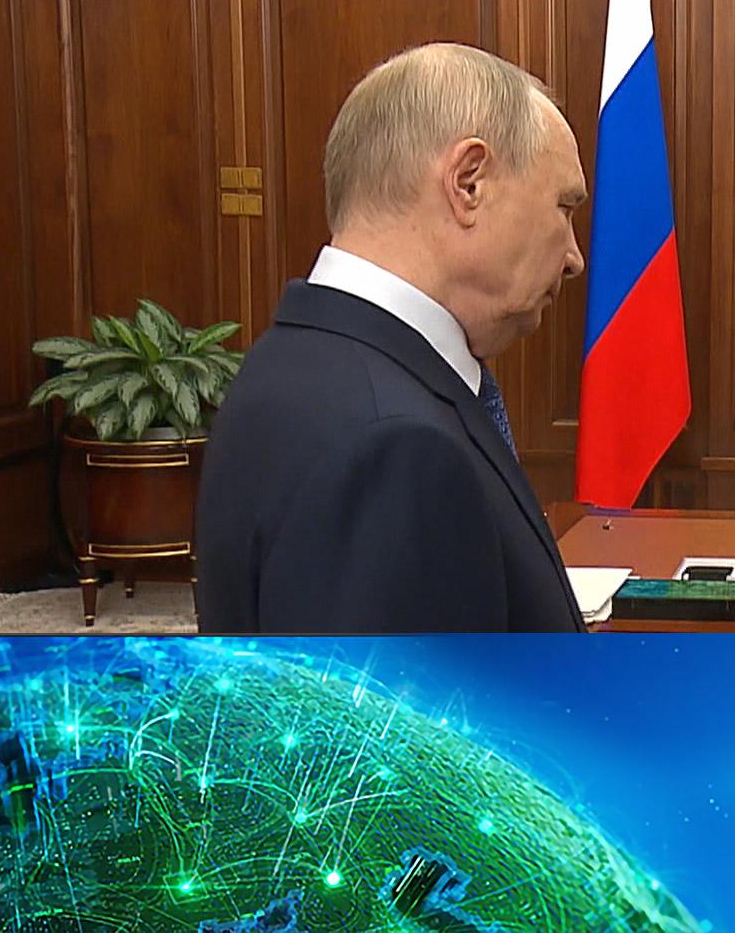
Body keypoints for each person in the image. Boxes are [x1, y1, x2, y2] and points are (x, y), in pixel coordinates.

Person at [196, 43, 589, 633]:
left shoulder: (296, 360)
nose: (575, 258)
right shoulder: (393, 447)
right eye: (564, 207)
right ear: (469, 183)